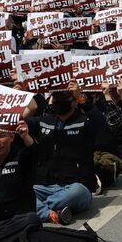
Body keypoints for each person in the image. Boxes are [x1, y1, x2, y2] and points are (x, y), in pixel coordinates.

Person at [28, 85, 105, 224]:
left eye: (64, 97)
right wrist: (20, 92)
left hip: (75, 186)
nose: (59, 101)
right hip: (45, 186)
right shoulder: (44, 121)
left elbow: (101, 124)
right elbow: (17, 122)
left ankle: (37, 208)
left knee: (78, 192)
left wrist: (81, 98)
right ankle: (50, 214)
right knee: (23, 191)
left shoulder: (84, 121)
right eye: (56, 98)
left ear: (73, 101)